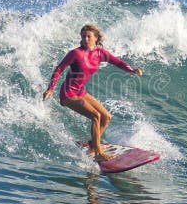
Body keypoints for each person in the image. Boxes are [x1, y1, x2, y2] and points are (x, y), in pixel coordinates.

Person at [43, 24, 143, 160]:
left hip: (80, 92)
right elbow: (59, 69)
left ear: (96, 38)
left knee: (106, 116)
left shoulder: (100, 54)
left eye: (89, 36)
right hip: (68, 94)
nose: (85, 39)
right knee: (96, 116)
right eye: (83, 36)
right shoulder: (75, 53)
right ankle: (98, 153)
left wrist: (131, 70)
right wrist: (50, 88)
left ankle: (92, 145)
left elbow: (118, 62)